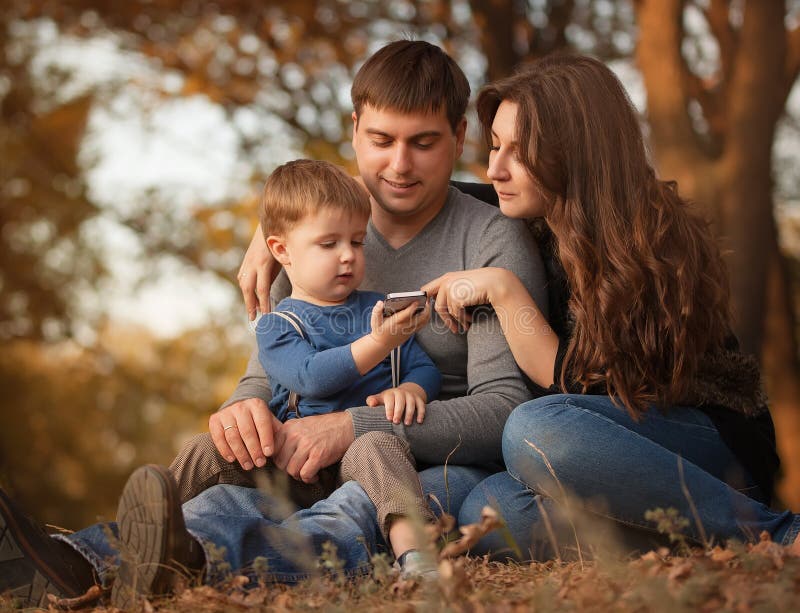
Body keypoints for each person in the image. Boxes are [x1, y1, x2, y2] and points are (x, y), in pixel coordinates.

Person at [0, 40, 547, 609]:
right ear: (355, 128)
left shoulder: (488, 242)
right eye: (381, 141)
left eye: (424, 143)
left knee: (351, 510)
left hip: (428, 463)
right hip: (300, 451)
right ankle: (73, 562)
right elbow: (268, 372)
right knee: (222, 495)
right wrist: (245, 411)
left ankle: (190, 562)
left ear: (459, 138)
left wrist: (354, 425)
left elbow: (506, 407)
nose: (399, 165)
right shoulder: (307, 233)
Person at [419, 53, 798, 560]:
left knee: (535, 429)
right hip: (603, 461)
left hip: (704, 446)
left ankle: (776, 532)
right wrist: (280, 234)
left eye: (519, 152)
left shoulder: (652, 237)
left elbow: (575, 387)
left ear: (572, 152)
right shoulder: (526, 207)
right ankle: (692, 540)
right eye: (494, 146)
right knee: (492, 510)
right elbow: (411, 195)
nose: (495, 170)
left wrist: (504, 290)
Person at [170, 158, 442, 580]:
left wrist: (413, 390)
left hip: (357, 465)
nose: (348, 256)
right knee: (204, 450)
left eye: (357, 241)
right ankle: (148, 527)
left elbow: (422, 366)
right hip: (285, 463)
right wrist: (380, 341)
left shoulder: (379, 309)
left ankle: (419, 560)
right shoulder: (276, 324)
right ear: (281, 251)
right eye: (329, 244)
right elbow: (311, 376)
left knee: (381, 445)